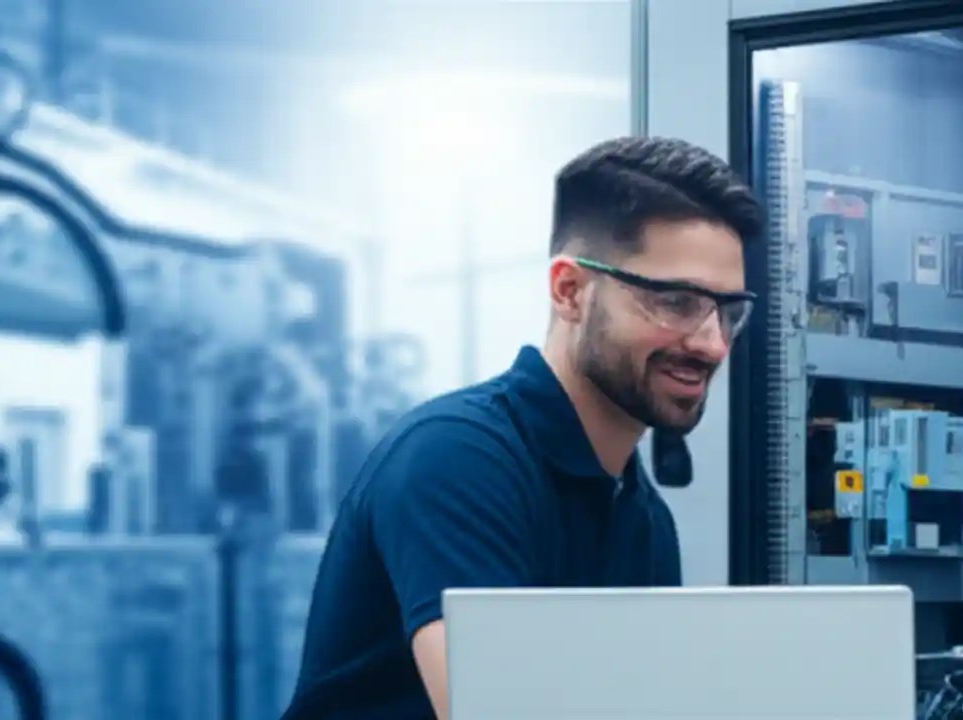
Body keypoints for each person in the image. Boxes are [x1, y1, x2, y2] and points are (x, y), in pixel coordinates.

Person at [281, 136, 764, 720]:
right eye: (677, 303)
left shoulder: (643, 519)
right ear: (570, 292)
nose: (713, 344)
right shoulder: (457, 459)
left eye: (728, 311)